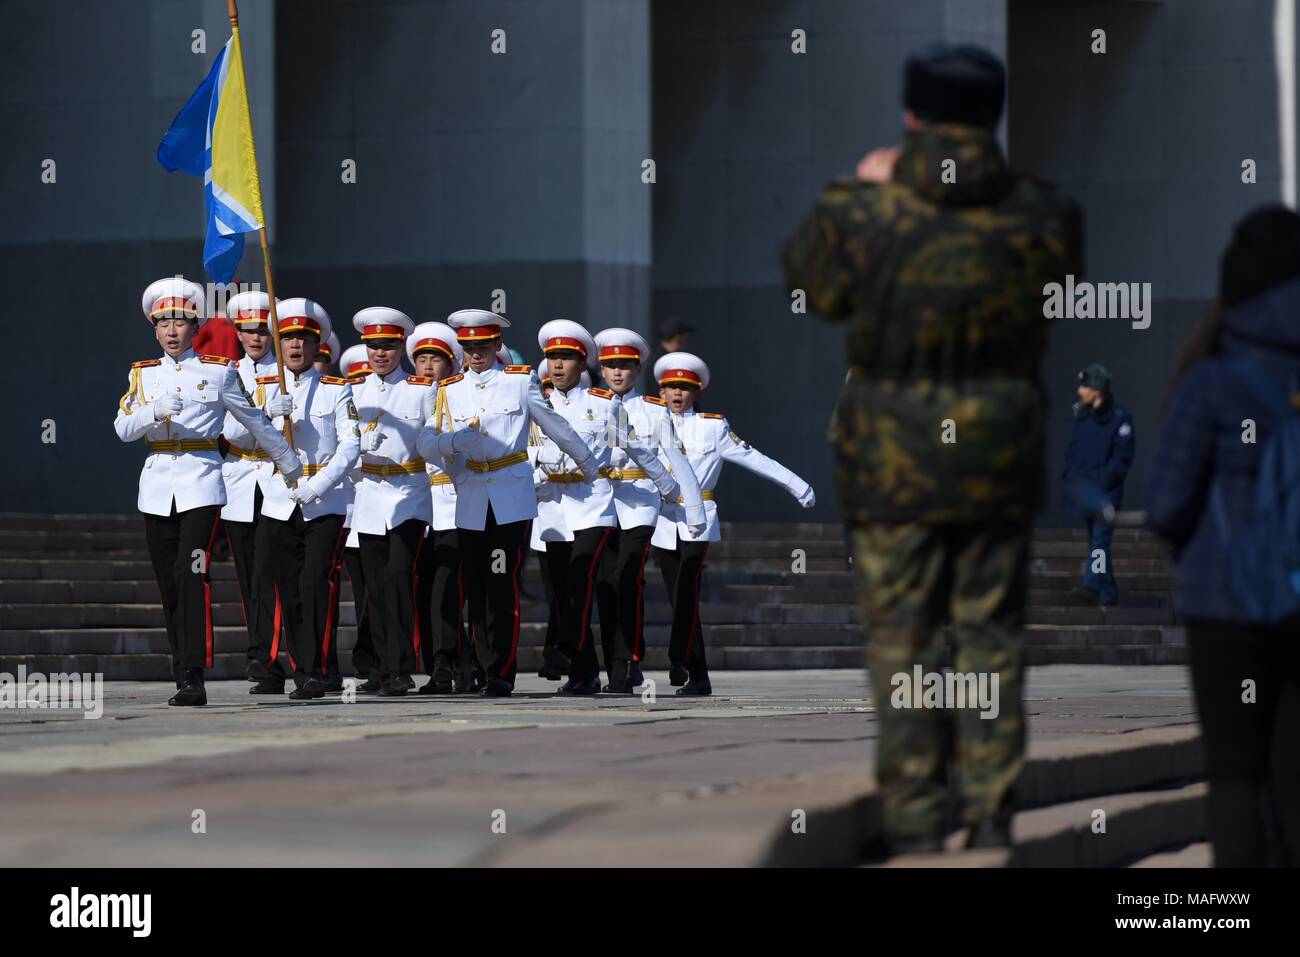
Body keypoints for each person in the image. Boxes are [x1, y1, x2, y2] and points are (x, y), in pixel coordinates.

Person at [780, 42, 1083, 854]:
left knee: (903, 634)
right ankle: (989, 805)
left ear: (912, 114)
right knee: (989, 631)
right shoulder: (1044, 210)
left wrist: (857, 189)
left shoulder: (867, 208)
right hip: (998, 449)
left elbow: (810, 285)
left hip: (891, 457)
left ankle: (916, 810)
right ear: (996, 111)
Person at [1146, 204, 1300, 867]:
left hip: (1223, 605)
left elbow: (1165, 503)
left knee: (1235, 770)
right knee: (1293, 767)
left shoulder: (1211, 377)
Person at [114, 277, 301, 706]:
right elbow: (122, 429)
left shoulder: (218, 371)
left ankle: (194, 674)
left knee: (191, 572)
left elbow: (254, 421)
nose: (172, 331)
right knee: (169, 582)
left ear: (194, 326)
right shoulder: (142, 375)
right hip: (157, 485)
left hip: (201, 483)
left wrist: (289, 464)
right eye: (164, 324)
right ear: (155, 330)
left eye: (180, 322)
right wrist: (152, 411)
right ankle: (181, 667)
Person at [416, 309, 599, 696]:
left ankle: (501, 670)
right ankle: (481, 667)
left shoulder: (518, 382)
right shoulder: (448, 389)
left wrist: (585, 460)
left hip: (509, 500)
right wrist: (452, 443)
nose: (475, 354)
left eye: (482, 346)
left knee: (501, 583)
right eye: (468, 347)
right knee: (476, 585)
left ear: (497, 345)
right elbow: (425, 444)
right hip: (469, 500)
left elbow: (552, 423)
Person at [529, 320, 685, 695]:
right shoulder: (538, 404)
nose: (558, 365)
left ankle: (620, 660)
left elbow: (640, 450)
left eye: (566, 358)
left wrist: (671, 489)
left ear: (583, 365)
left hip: (606, 504)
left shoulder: (604, 406)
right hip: (555, 508)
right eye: (552, 358)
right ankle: (583, 671)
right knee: (571, 586)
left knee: (612, 581)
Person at [650, 353, 814, 696]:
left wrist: (798, 486)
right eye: (671, 387)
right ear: (660, 391)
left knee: (687, 590)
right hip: (663, 519)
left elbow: (755, 459)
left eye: (685, 388)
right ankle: (699, 675)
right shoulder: (648, 422)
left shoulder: (712, 427)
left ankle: (678, 657)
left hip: (699, 519)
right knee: (677, 596)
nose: (677, 394)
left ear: (697, 393)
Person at [255, 299, 359, 699]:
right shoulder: (266, 390)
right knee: (288, 588)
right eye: (287, 338)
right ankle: (302, 670)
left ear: (318, 346)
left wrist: (320, 485)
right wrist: (263, 415)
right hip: (280, 499)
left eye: (303, 339)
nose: (295, 346)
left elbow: (351, 446)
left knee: (316, 583)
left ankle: (318, 669)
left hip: (324, 502)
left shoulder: (336, 390)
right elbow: (239, 439)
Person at [592, 328, 705, 692]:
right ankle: (615, 664)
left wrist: (694, 508)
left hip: (641, 500)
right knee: (605, 584)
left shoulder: (654, 411)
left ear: (637, 370)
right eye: (610, 366)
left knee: (628, 577)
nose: (617, 373)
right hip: (600, 502)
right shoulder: (591, 404)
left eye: (624, 366)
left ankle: (628, 661)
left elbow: (678, 460)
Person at [349, 307, 436, 696]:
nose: (380, 354)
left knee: (399, 577)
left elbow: (434, 440)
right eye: (373, 347)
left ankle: (401, 667)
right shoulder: (352, 390)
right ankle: (383, 668)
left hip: (409, 493)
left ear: (402, 348)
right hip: (369, 494)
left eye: (387, 346)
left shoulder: (421, 390)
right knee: (375, 587)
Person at [221, 290, 293, 692]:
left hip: (275, 478)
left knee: (272, 572)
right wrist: (265, 416)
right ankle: (269, 663)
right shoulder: (226, 372)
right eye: (248, 330)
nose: (255, 337)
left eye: (264, 331)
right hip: (239, 478)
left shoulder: (286, 371)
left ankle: (262, 654)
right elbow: (227, 431)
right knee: (250, 578)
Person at [405, 321, 473, 694]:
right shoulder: (408, 396)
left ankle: (448, 661)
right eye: (422, 358)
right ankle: (439, 661)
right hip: (415, 502)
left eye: (437, 359)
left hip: (451, 503)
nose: (428, 366)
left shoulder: (459, 397)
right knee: (424, 589)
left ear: (452, 364)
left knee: (447, 588)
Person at [1061, 364, 1134, 606]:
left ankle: (1091, 586)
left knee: (1100, 541)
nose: (1080, 391)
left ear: (1098, 390)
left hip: (1106, 494)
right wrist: (1072, 477)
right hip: (1084, 492)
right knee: (1095, 542)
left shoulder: (1120, 418)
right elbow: (1073, 450)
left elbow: (1122, 459)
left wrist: (1100, 484)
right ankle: (1109, 592)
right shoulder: (1080, 414)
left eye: (1085, 386)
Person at [334, 344, 378, 681]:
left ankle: (374, 652)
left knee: (379, 588)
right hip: (349, 510)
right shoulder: (342, 404)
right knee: (362, 587)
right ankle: (367, 651)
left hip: (382, 506)